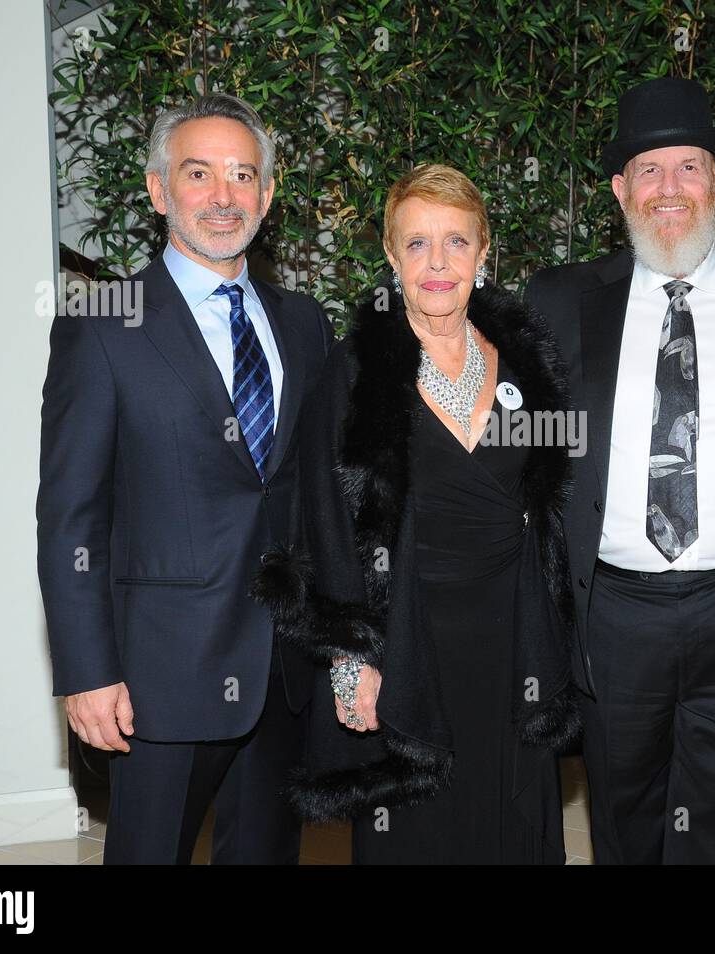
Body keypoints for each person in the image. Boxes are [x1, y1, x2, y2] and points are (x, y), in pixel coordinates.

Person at [524, 77, 715, 863]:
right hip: (614, 614)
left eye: (688, 167)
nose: (670, 189)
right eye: (649, 171)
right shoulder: (557, 303)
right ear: (620, 189)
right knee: (625, 824)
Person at [253, 163, 580, 864]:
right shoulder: (352, 376)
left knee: (512, 823)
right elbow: (324, 525)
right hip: (408, 641)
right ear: (390, 256)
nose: (438, 264)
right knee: (415, 833)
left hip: (511, 639)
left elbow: (551, 505)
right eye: (418, 244)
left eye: (457, 243)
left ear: (484, 252)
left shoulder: (528, 368)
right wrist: (353, 659)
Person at [36, 93, 334, 864]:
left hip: (281, 673)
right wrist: (88, 672)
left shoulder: (305, 323)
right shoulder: (104, 324)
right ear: (159, 190)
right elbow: (70, 517)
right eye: (198, 173)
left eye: (243, 176)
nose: (224, 196)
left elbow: (314, 497)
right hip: (158, 678)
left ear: (267, 196)